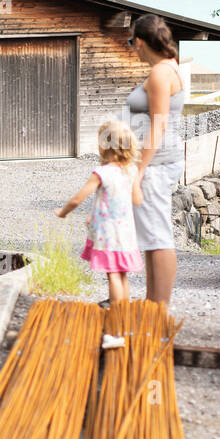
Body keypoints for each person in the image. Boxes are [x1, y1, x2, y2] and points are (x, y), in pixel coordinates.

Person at [126, 13, 186, 306]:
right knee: (151, 235)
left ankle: (159, 307)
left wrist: (138, 171)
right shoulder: (169, 67)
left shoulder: (161, 73)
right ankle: (152, 302)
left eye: (131, 43)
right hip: (159, 161)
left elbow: (159, 124)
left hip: (156, 163)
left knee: (158, 236)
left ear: (139, 42)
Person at [56, 120, 144, 306]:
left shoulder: (101, 172)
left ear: (104, 145)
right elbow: (137, 200)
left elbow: (77, 199)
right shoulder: (132, 171)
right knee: (122, 274)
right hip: (126, 232)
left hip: (108, 234)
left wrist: (63, 212)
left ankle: (115, 310)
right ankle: (124, 310)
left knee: (112, 273)